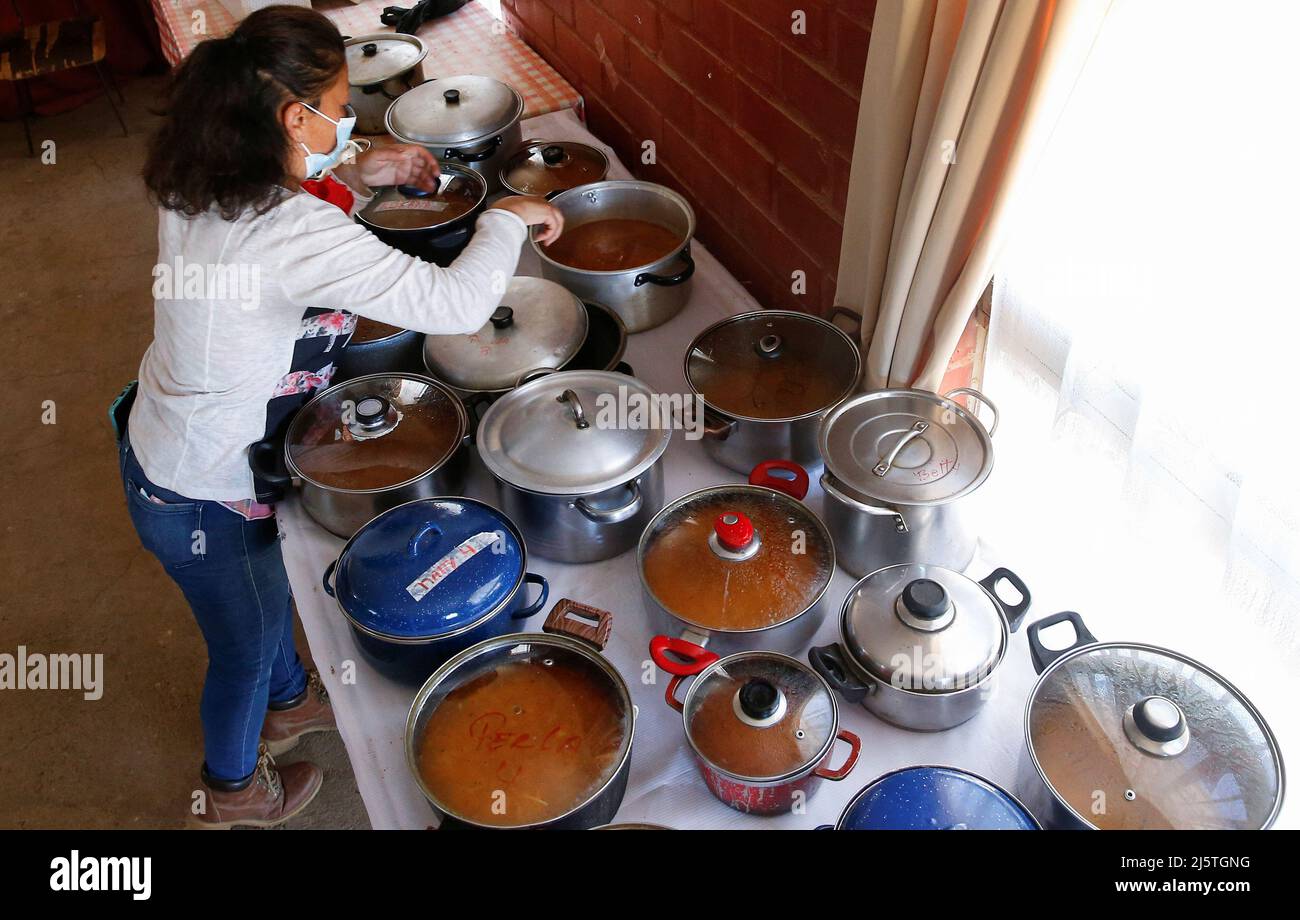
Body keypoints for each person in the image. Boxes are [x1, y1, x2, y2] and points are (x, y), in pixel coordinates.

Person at [117, 5, 563, 828]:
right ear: (295, 117)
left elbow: (298, 202)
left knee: (260, 606)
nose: (348, 120)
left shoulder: (201, 170)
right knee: (243, 649)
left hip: (175, 440)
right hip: (201, 491)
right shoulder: (289, 231)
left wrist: (359, 169)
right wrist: (503, 220)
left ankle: (291, 704)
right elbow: (457, 304)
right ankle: (231, 792)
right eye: (339, 104)